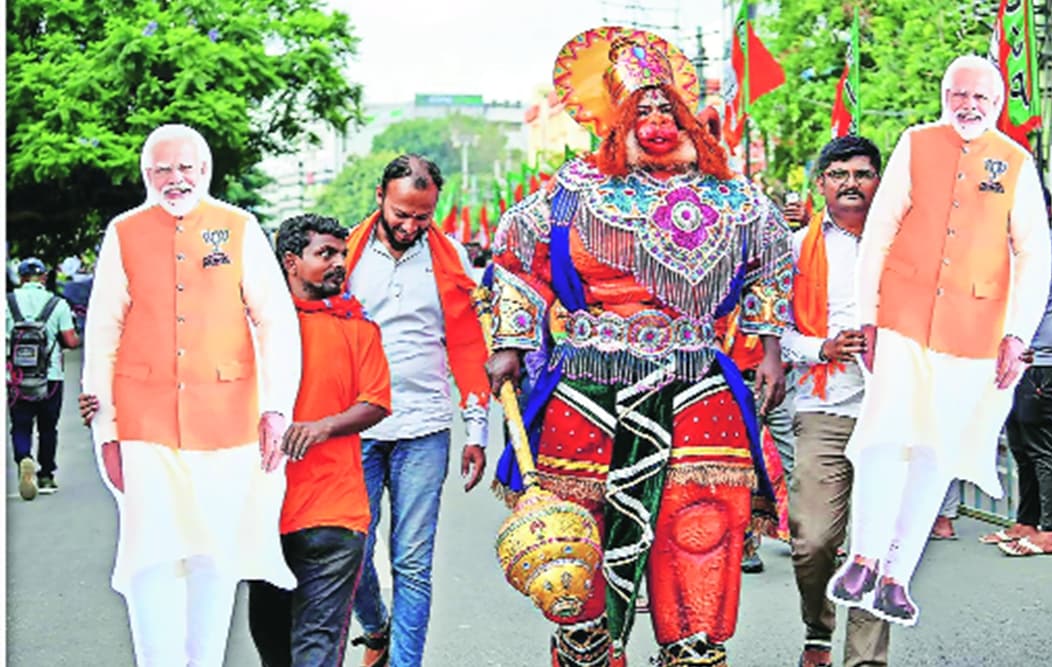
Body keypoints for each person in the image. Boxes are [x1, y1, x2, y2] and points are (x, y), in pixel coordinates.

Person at [486, 26, 790, 666]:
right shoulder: (575, 189)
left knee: (701, 522)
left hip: (697, 377)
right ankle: (589, 649)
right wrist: (512, 342)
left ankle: (693, 647)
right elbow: (515, 260)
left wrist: (768, 349)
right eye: (641, 110)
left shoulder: (734, 196)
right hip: (592, 381)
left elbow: (771, 262)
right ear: (617, 119)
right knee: (579, 526)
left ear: (687, 115)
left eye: (665, 109)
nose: (655, 121)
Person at [828, 55, 1051, 627]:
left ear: (996, 104)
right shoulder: (916, 143)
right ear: (945, 95)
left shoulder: (1016, 162)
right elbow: (879, 232)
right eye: (959, 94)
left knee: (936, 453)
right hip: (902, 318)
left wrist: (1017, 334)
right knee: (884, 438)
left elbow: (1033, 254)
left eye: (980, 97)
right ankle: (863, 557)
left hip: (974, 332)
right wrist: (869, 315)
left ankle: (897, 574)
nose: (968, 105)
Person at [81, 123, 301, 666]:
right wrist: (105, 431)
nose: (175, 179)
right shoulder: (124, 232)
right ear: (146, 176)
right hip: (142, 423)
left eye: (186, 168)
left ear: (205, 172)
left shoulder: (238, 227)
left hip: (228, 421)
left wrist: (277, 409)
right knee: (151, 557)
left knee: (214, 555)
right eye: (162, 170)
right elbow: (102, 332)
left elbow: (277, 322)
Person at [341, 154, 492, 667]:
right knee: (352, 555)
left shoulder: (450, 258)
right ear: (381, 196)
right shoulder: (347, 256)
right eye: (401, 212)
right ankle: (376, 627)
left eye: (422, 216)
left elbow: (469, 349)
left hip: (425, 428)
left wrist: (476, 431)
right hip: (355, 426)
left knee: (412, 562)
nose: (409, 226)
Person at [245, 214, 392, 666]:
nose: (338, 264)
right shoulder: (250, 330)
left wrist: (322, 427)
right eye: (325, 254)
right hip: (263, 512)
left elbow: (377, 403)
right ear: (291, 261)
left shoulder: (357, 328)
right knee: (275, 650)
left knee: (317, 647)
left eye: (341, 254)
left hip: (334, 513)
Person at [782, 135, 891, 667]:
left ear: (879, 180)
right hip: (823, 405)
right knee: (814, 541)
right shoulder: (794, 247)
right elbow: (772, 332)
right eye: (839, 174)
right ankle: (818, 627)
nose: (852, 184)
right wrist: (820, 347)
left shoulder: (902, 243)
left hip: (892, 409)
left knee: (876, 541)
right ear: (821, 183)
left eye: (863, 174)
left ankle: (865, 660)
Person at [981, 204, 1052, 557]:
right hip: (1023, 353)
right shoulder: (1032, 244)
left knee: (1041, 442)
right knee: (1020, 441)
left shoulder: (1046, 245)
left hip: (1041, 354)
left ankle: (1051, 531)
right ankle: (1027, 523)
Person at [7, 257, 80, 498]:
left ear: (21, 277)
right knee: (48, 428)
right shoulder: (57, 304)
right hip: (51, 377)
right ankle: (46, 475)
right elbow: (70, 341)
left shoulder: (7, 303)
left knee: (20, 425)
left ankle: (24, 458)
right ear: (44, 278)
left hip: (16, 379)